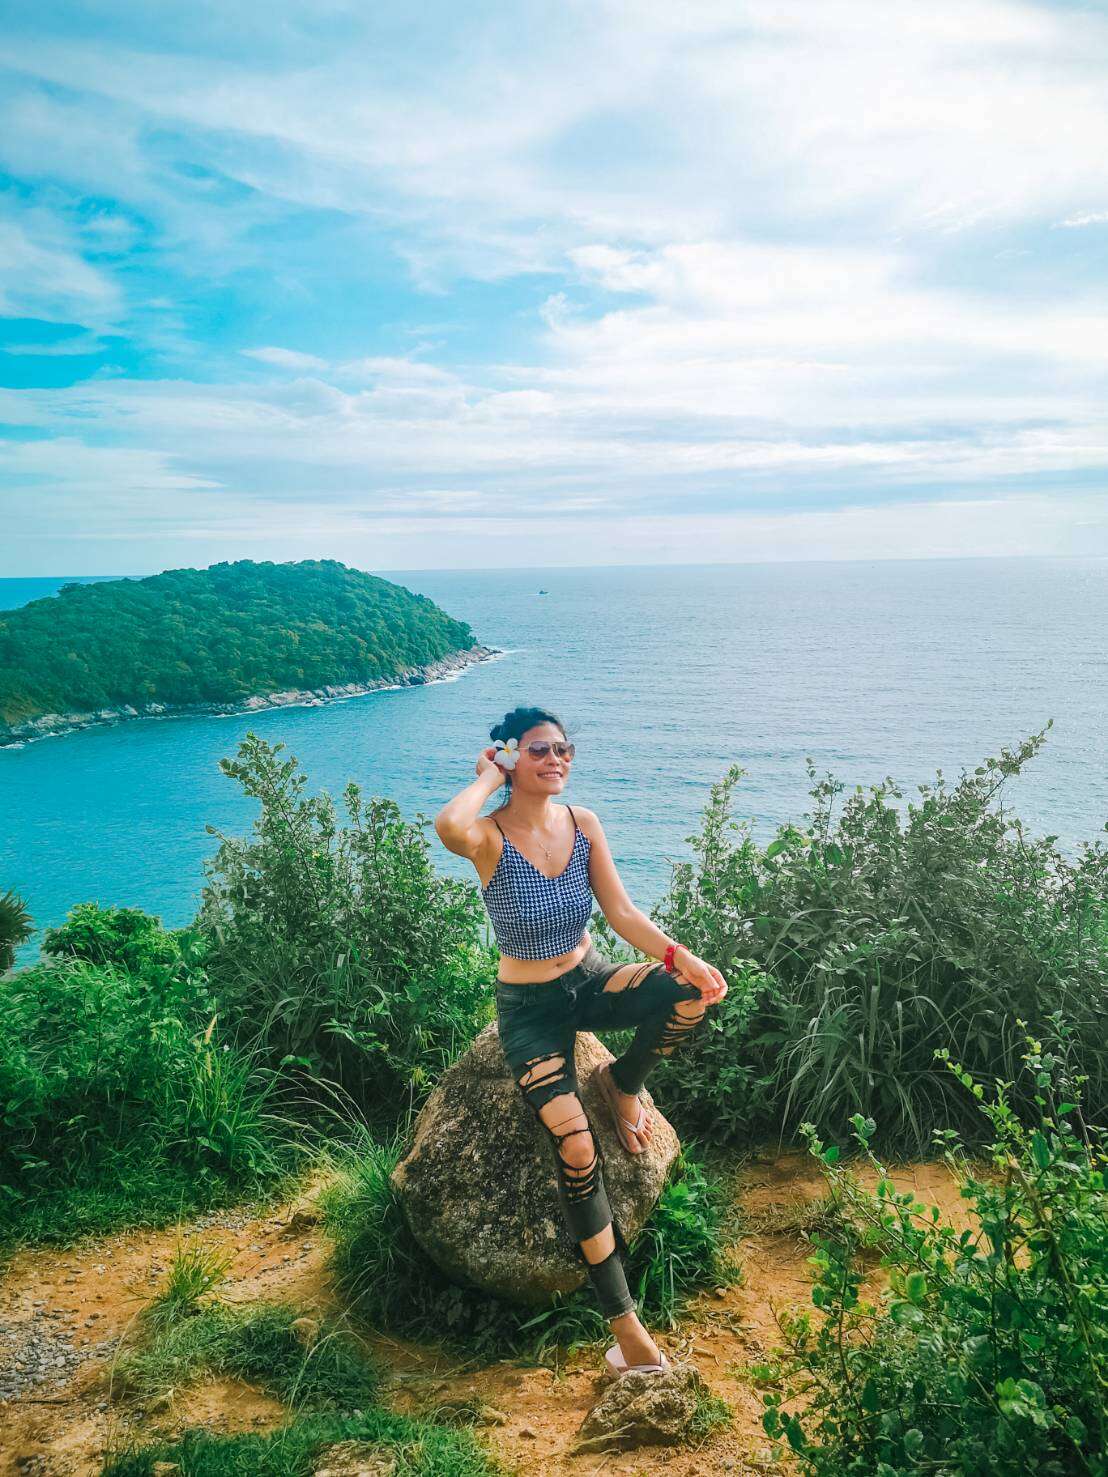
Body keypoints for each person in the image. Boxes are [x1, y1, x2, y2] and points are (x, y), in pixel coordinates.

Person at [434, 705, 728, 1377]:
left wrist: (682, 956)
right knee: (575, 1146)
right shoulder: (487, 836)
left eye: (564, 748)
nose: (557, 758)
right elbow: (449, 824)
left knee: (687, 995)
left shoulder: (583, 823)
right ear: (512, 758)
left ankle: (621, 1083)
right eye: (540, 749)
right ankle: (626, 1326)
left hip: (590, 980)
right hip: (531, 1009)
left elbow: (622, 912)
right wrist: (486, 774)